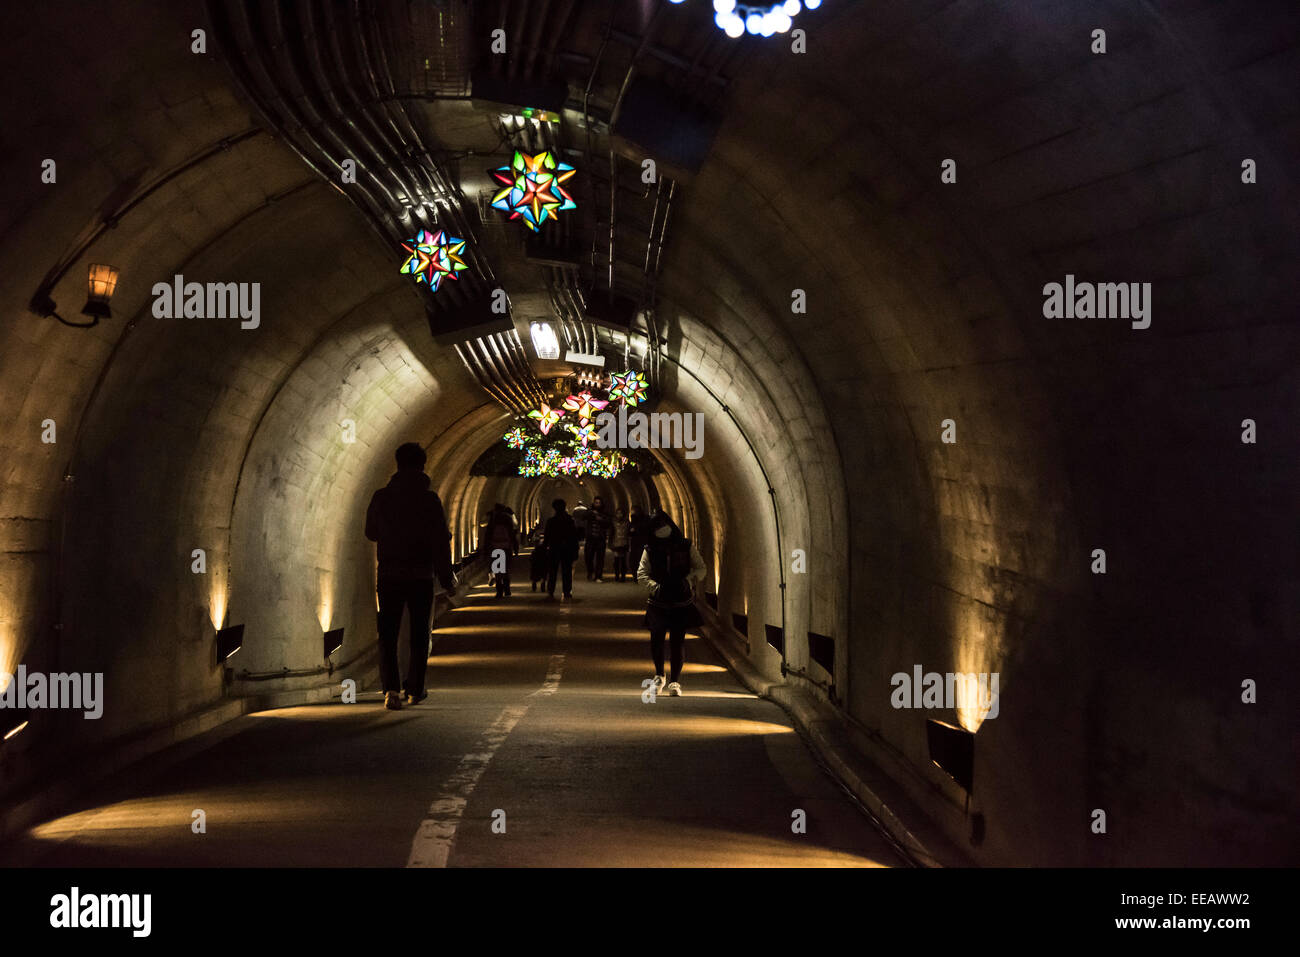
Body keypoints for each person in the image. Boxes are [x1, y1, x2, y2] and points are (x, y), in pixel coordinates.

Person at [364, 442, 456, 711]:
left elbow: (370, 532)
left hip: (390, 574)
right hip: (420, 575)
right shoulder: (429, 500)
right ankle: (415, 689)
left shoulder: (381, 497)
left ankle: (390, 690)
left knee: (388, 633)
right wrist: (447, 577)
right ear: (423, 465)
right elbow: (439, 541)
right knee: (418, 634)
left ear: (397, 463)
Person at [637, 511, 705, 696]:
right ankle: (659, 674)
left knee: (677, 641)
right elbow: (642, 573)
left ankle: (675, 680)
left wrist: (688, 581)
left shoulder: (685, 546)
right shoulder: (650, 549)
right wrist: (655, 587)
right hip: (658, 601)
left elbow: (700, 568)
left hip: (680, 601)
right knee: (656, 639)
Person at [543, 499, 580, 601]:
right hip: (567, 550)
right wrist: (575, 551)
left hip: (554, 549)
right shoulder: (570, 520)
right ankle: (567, 591)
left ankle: (551, 591)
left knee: (552, 572)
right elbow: (574, 537)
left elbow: (547, 537)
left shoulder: (551, 521)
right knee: (567, 572)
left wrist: (544, 549)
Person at [483, 504, 519, 597]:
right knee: (505, 569)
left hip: (495, 547)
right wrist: (515, 548)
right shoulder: (508, 519)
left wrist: (486, 549)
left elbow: (488, 535)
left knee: (497, 570)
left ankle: (499, 591)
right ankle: (507, 589)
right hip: (506, 547)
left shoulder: (493, 520)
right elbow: (512, 534)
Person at [583, 495, 612, 581]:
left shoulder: (605, 513)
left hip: (600, 539)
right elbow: (583, 516)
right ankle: (590, 571)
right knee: (588, 557)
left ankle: (598, 575)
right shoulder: (590, 512)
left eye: (599, 503)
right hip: (590, 539)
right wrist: (591, 513)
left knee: (600, 558)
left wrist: (601, 519)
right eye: (596, 502)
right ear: (593, 503)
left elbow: (608, 523)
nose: (597, 504)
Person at [627, 504, 649, 578]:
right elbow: (629, 531)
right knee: (635, 559)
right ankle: (636, 574)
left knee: (638, 558)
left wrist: (635, 530)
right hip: (636, 542)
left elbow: (645, 529)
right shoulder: (633, 519)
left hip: (640, 542)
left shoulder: (644, 519)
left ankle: (639, 574)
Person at [610, 507, 630, 582]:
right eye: (618, 513)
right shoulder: (613, 522)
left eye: (620, 513)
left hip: (624, 544)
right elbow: (611, 533)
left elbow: (628, 533)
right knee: (616, 561)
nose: (619, 515)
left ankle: (623, 576)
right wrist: (611, 544)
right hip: (616, 544)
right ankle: (617, 575)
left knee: (623, 561)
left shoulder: (627, 522)